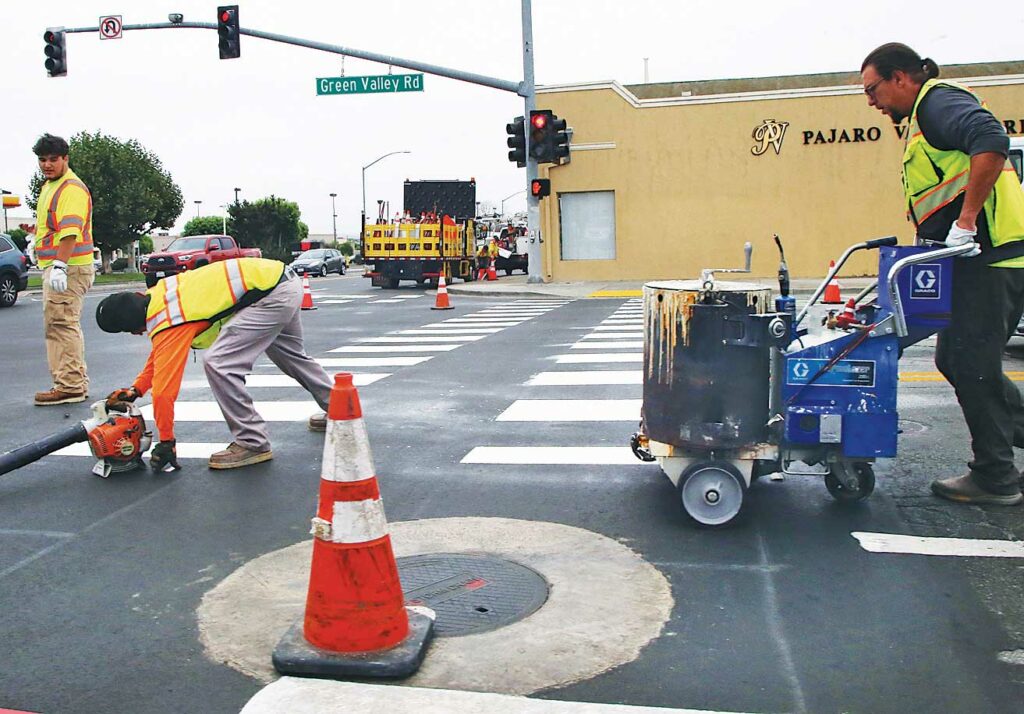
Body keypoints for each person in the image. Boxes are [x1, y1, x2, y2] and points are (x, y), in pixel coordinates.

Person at [862, 43, 1024, 506]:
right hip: (981, 260)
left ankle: (994, 477)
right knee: (959, 361)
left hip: (990, 257)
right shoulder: (925, 117)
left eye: (873, 89)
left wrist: (966, 222)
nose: (871, 101)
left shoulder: (937, 102)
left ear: (900, 78)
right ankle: (998, 468)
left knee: (971, 364)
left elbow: (991, 141)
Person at [95, 257, 332, 471]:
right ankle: (340, 408)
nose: (137, 335)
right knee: (290, 355)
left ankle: (253, 442)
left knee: (220, 363)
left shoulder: (170, 322)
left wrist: (167, 441)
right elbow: (160, 356)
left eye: (130, 331)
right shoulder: (161, 295)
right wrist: (137, 390)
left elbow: (165, 390)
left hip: (270, 295)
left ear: (134, 328)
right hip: (281, 279)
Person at [22, 134, 96, 405]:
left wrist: (60, 265)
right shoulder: (50, 186)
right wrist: (36, 243)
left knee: (62, 324)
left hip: (70, 267)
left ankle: (70, 386)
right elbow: (53, 228)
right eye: (42, 160)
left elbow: (70, 232)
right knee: (59, 324)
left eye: (53, 159)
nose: (47, 165)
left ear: (66, 158)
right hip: (62, 266)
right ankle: (72, 382)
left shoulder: (70, 189)